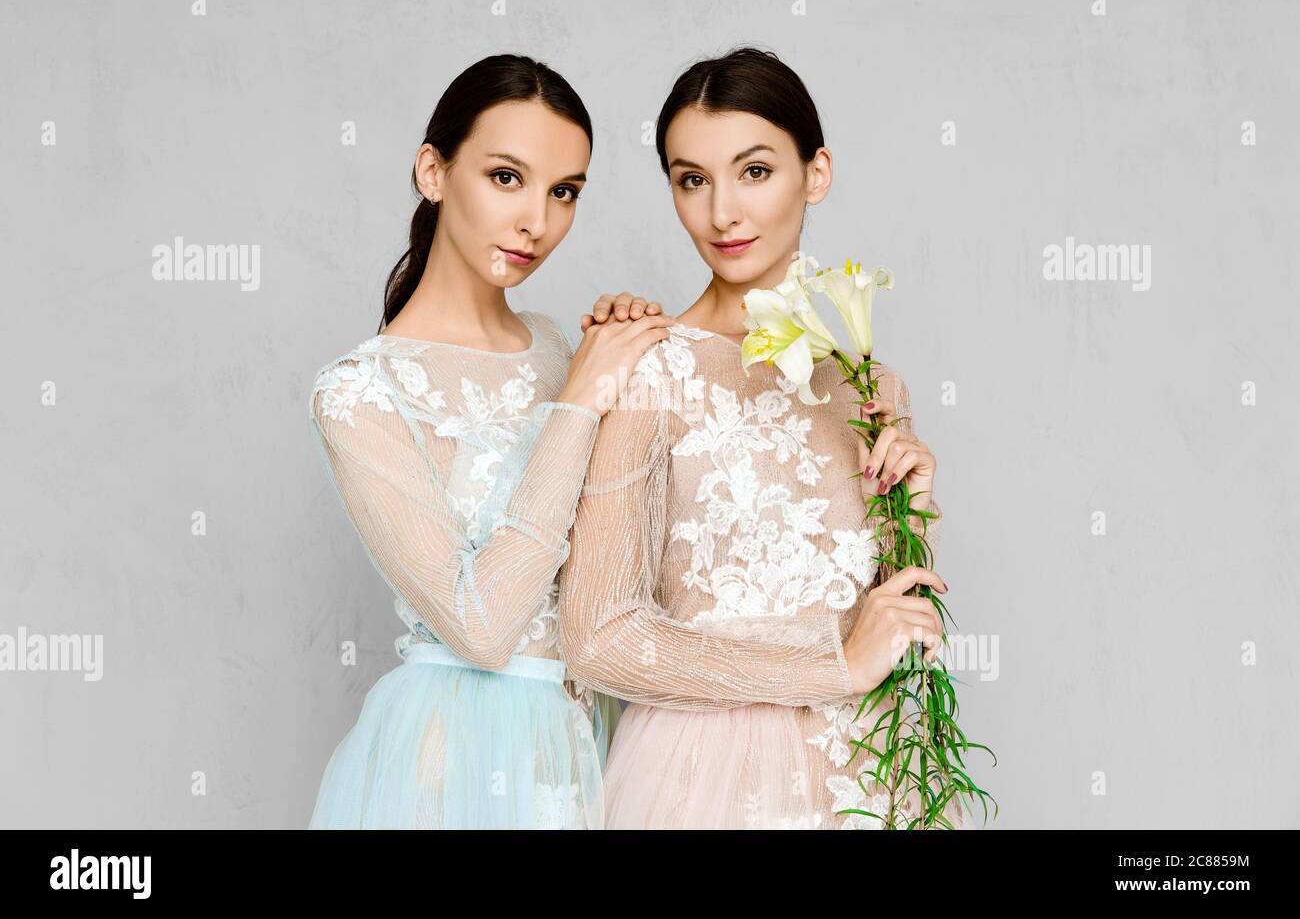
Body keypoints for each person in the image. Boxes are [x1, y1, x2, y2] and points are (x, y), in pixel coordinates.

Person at [558, 47, 964, 829]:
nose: (721, 215)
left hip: (867, 765)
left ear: (817, 173)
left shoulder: (873, 386)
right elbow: (599, 637)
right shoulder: (650, 367)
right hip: (703, 777)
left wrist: (915, 514)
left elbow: (894, 626)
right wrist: (830, 666)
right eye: (692, 180)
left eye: (754, 171)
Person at [306, 53, 672, 828]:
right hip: (457, 761)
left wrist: (636, 372)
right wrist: (579, 403)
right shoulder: (359, 394)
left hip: (589, 741)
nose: (537, 220)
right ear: (432, 171)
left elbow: (630, 564)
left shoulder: (556, 346)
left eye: (563, 191)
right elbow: (482, 625)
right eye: (507, 176)